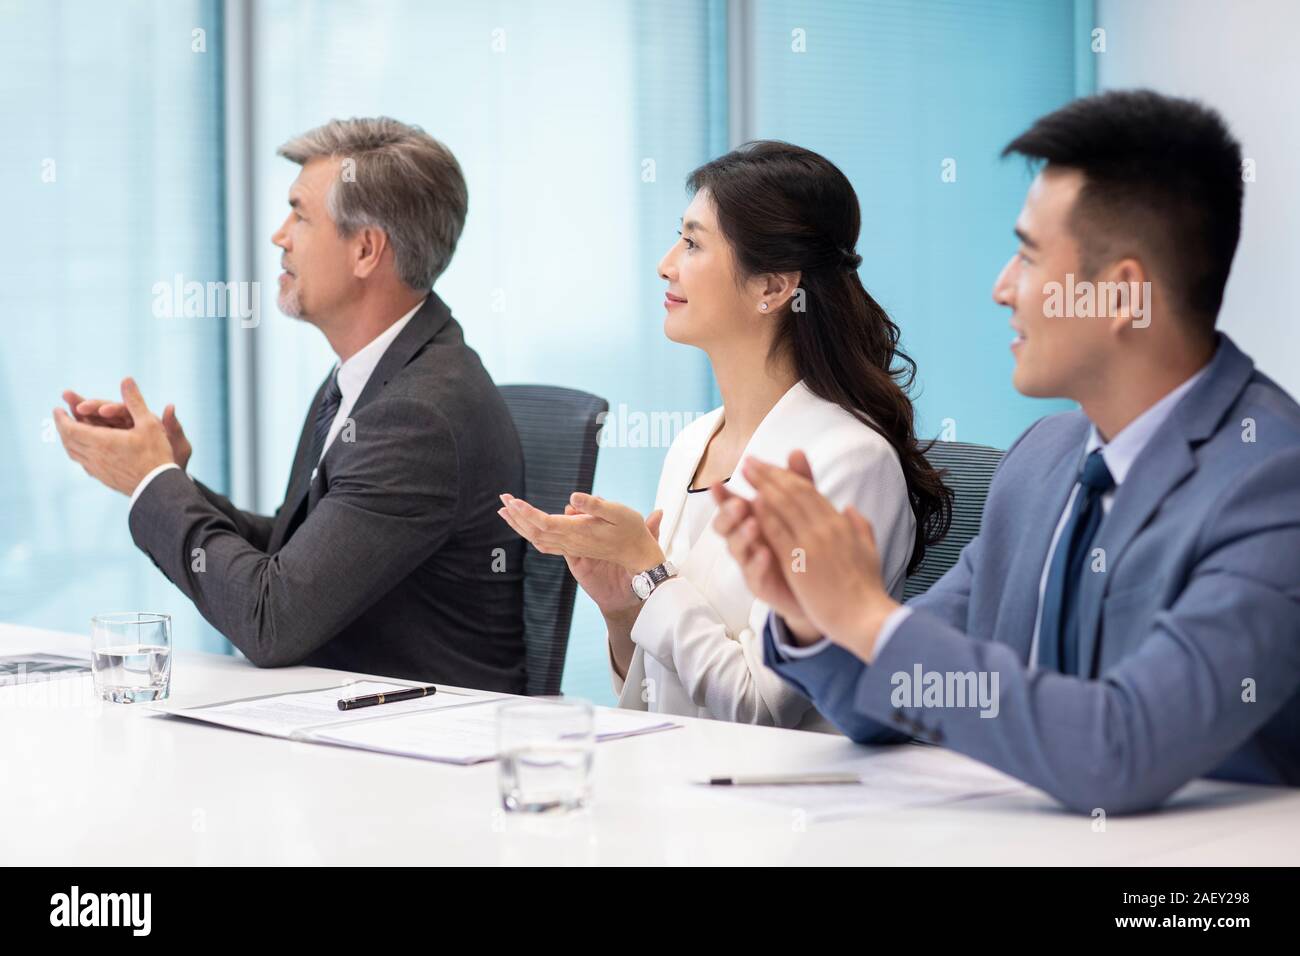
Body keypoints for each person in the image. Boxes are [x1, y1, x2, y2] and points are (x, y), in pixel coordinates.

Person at [713, 91, 1300, 812]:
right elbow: (892, 699)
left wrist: (867, 615)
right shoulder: (1044, 459)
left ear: (1121, 297)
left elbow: (1120, 750)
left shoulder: (1274, 481)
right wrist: (812, 615)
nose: (1000, 289)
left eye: (1026, 255)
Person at [55, 117, 527, 692]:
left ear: (365, 249)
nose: (281, 236)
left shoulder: (417, 416)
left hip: (419, 753)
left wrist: (153, 482)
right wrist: (166, 479)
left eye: (300, 215)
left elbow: (271, 619)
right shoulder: (370, 377)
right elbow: (293, 558)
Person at [499, 142, 950, 727]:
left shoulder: (848, 461)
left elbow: (759, 711)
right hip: (682, 785)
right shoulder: (693, 443)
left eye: (692, 243)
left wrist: (650, 571)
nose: (666, 264)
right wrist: (621, 607)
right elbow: (652, 701)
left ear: (772, 288)